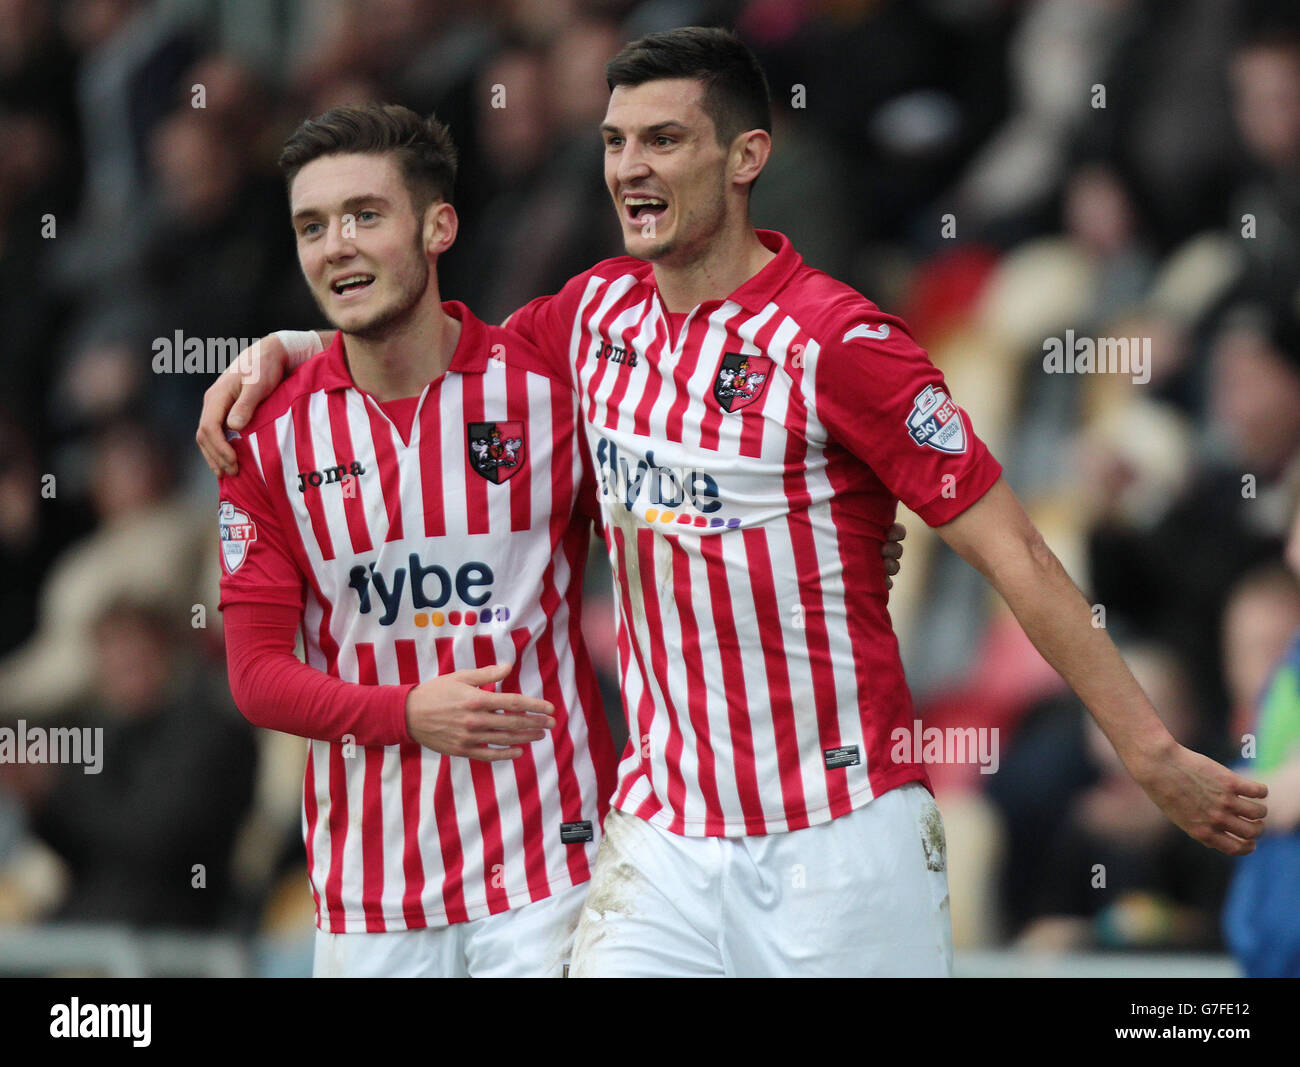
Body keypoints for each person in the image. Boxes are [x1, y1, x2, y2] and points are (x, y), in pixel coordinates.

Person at [198, 28, 1267, 978]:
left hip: (839, 832)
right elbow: (426, 345)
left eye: (662, 140)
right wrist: (285, 348)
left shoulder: (840, 345)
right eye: (616, 142)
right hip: (661, 834)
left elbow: (1019, 556)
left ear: (746, 157)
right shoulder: (592, 313)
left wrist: (1148, 749)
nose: (629, 168)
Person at [216, 103, 622, 977]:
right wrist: (404, 714)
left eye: (366, 215)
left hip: (548, 868)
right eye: (312, 226)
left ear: (438, 226)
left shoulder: (548, 392)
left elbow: (674, 514)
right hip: (370, 896)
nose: (336, 246)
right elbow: (255, 677)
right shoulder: (264, 431)